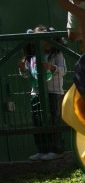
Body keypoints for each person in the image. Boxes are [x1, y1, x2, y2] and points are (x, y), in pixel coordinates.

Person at [18, 26, 66, 161]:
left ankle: (56, 149)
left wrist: (51, 67)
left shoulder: (57, 54)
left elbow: (63, 70)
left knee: (53, 119)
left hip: (53, 91)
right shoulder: (32, 57)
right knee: (38, 120)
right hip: (36, 92)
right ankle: (42, 149)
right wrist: (23, 69)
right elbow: (28, 74)